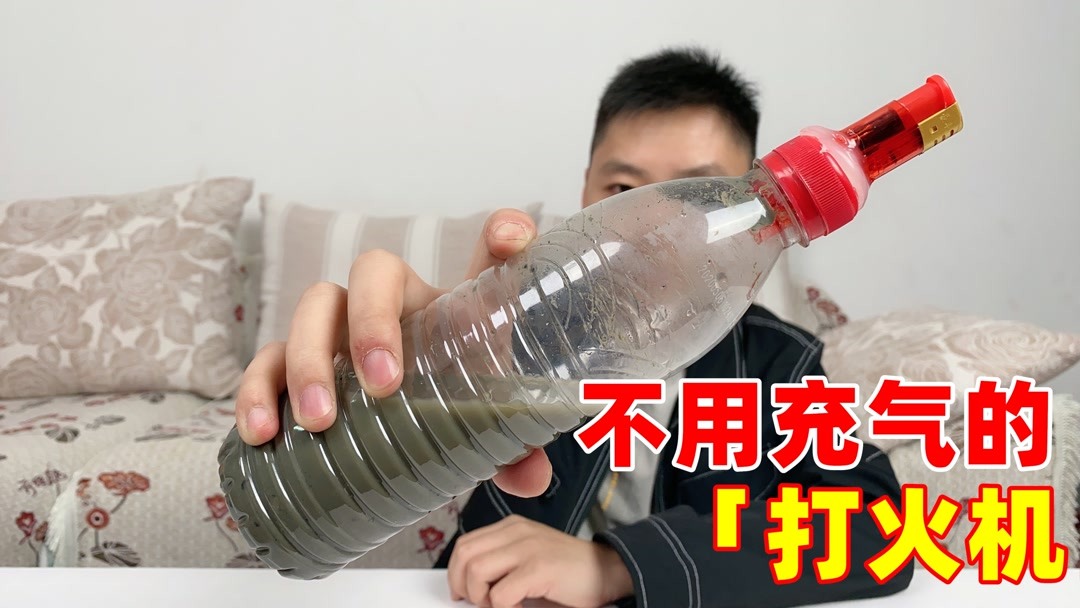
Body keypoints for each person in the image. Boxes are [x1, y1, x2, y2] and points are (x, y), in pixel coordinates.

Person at [234, 47, 913, 608]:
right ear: (586, 191)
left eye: (697, 194)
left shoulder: (776, 362)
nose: (658, 228)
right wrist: (384, 380)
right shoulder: (519, 330)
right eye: (625, 191)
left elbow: (880, 530)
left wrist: (615, 567)